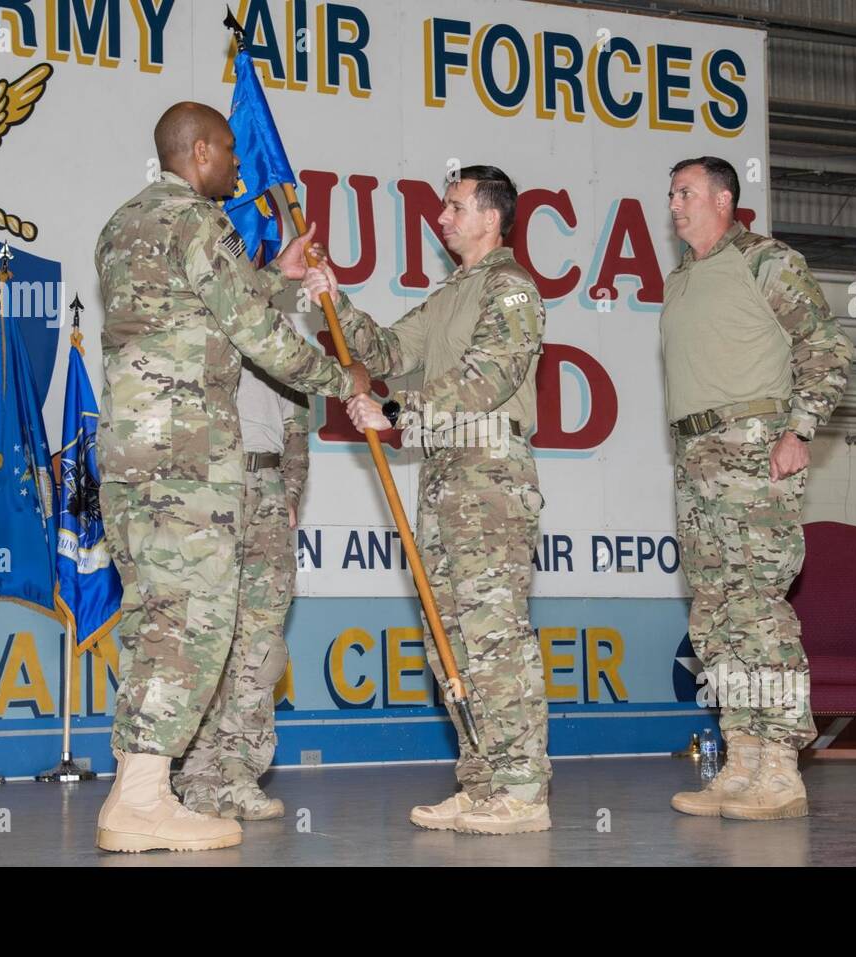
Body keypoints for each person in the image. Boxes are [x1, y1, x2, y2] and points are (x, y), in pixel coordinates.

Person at [93, 101, 368, 852]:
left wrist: (272, 280)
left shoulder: (122, 226)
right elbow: (256, 334)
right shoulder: (196, 221)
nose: (242, 169)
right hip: (188, 457)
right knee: (194, 620)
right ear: (203, 151)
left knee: (155, 616)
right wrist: (346, 382)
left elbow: (202, 312)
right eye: (231, 156)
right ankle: (145, 798)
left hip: (129, 452)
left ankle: (134, 789)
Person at [303, 165, 551, 835]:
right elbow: (385, 349)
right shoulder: (450, 294)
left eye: (454, 205)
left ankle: (524, 788)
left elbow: (488, 376)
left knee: (496, 634)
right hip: (443, 473)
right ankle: (482, 783)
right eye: (443, 205)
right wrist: (335, 297)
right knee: (453, 642)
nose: (440, 216)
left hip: (490, 475)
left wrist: (393, 408)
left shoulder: (511, 288)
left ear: (491, 217)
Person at [661, 156, 852, 821]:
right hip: (696, 458)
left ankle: (780, 767)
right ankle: (740, 758)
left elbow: (824, 346)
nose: (674, 204)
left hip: (753, 448)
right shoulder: (683, 278)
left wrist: (799, 430)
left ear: (721, 197)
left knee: (758, 606)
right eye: (672, 195)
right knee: (714, 615)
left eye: (685, 193)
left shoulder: (766, 260)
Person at [171, 358, 308, 821]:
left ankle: (239, 773)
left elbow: (296, 428)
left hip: (267, 486)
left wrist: (289, 491)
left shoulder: (282, 337)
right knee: (204, 636)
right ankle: (197, 776)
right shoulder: (207, 308)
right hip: (208, 483)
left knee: (261, 644)